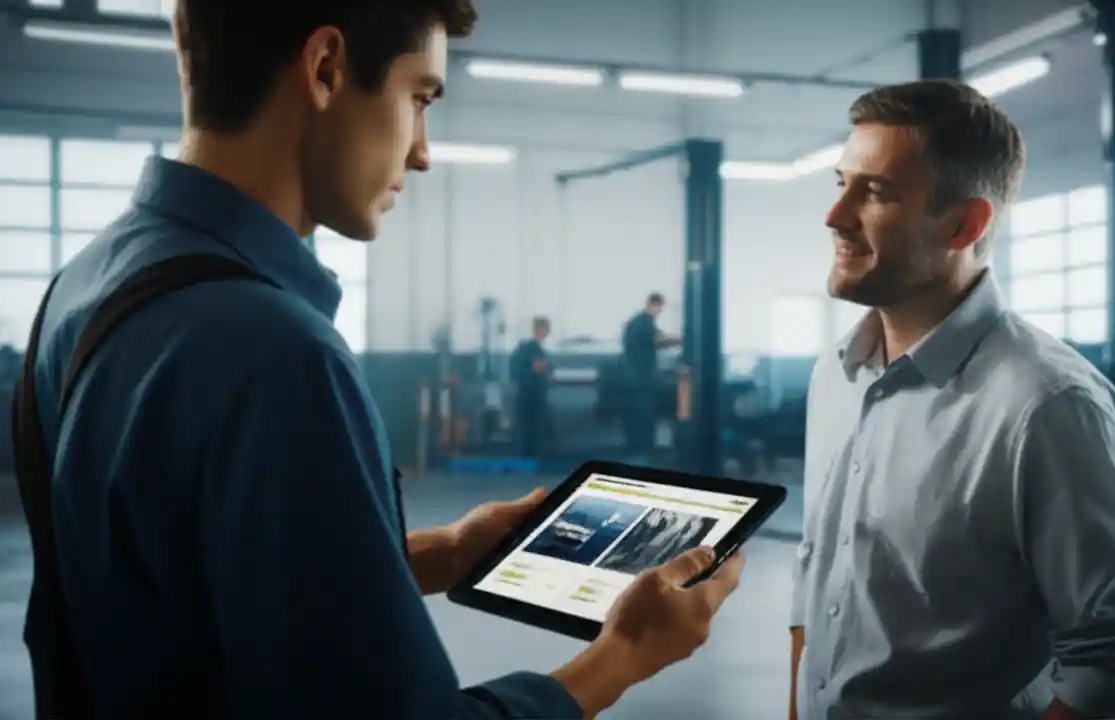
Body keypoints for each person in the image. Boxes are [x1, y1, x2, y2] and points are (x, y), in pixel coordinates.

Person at [21, 2, 744, 717]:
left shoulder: (86, 286)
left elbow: (184, 592)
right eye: (419, 98)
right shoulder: (278, 353)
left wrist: (443, 552)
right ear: (326, 69)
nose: (421, 152)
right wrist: (622, 654)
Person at [788, 80, 1115, 720]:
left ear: (965, 224)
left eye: (875, 191)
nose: (835, 215)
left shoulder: (1049, 407)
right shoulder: (836, 375)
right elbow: (815, 579)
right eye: (841, 183)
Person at [620, 292, 680, 460]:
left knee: (636, 418)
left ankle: (637, 450)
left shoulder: (636, 322)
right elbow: (659, 340)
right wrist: (684, 339)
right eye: (660, 308)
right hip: (641, 380)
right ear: (654, 305)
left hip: (633, 378)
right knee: (644, 417)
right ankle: (643, 452)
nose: (660, 312)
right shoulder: (644, 323)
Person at [510, 316, 553, 457]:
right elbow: (524, 371)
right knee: (529, 430)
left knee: (532, 430)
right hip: (530, 396)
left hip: (533, 395)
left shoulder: (532, 349)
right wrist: (536, 369)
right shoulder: (529, 349)